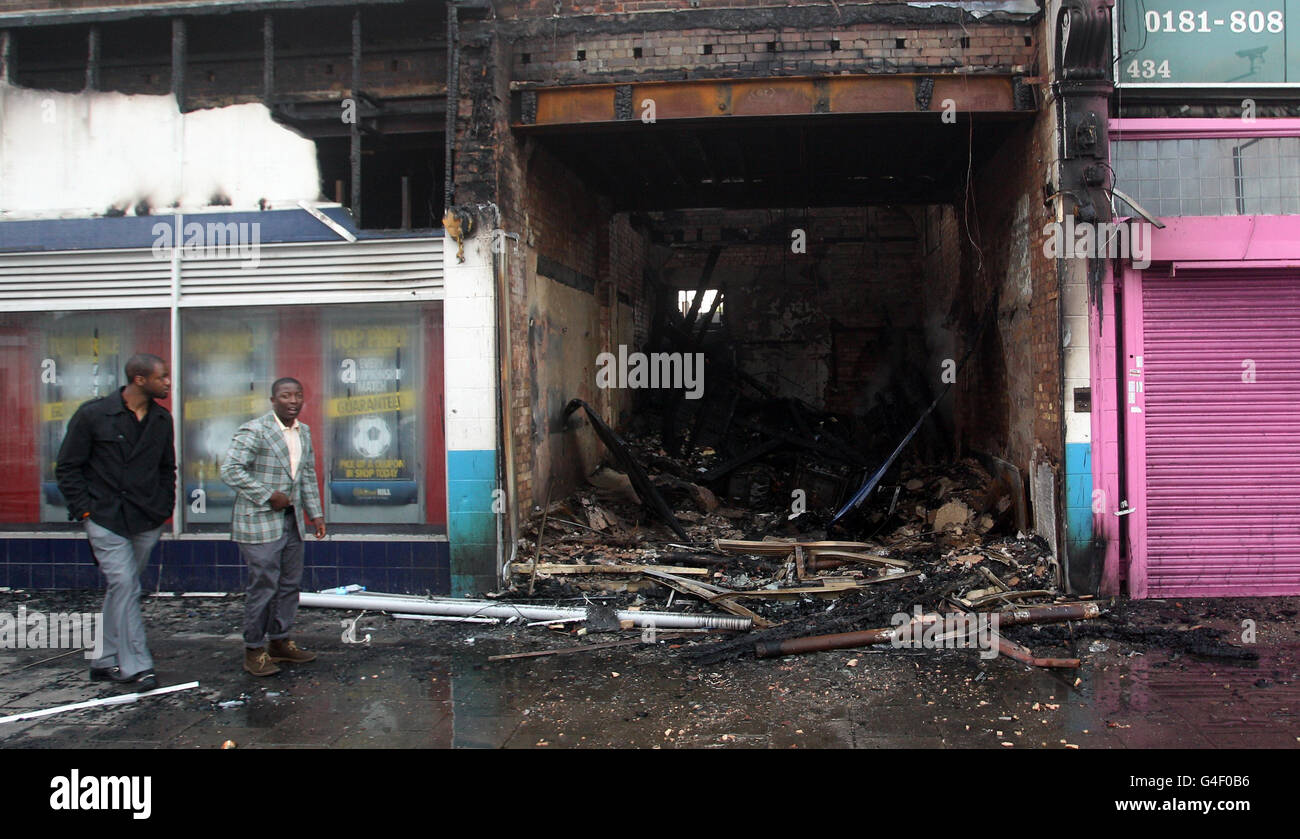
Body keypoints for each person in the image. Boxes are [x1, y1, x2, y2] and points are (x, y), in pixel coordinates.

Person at [55, 353, 176, 690]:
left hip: (146, 517)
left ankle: (104, 659)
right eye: (162, 377)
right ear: (140, 379)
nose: (168, 382)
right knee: (126, 585)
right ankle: (136, 665)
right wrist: (85, 511)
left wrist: (164, 505)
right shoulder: (94, 414)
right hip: (106, 517)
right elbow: (67, 467)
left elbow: (167, 468)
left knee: (122, 588)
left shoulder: (161, 420)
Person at [221, 377, 326, 676]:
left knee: (289, 584)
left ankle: (280, 642)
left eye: (298, 395)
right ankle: (254, 649)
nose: (292, 400)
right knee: (264, 585)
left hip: (291, 522)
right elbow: (229, 470)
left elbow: (305, 476)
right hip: (258, 523)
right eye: (285, 395)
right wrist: (267, 495)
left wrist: (315, 515)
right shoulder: (255, 430)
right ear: (273, 400)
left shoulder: (303, 431)